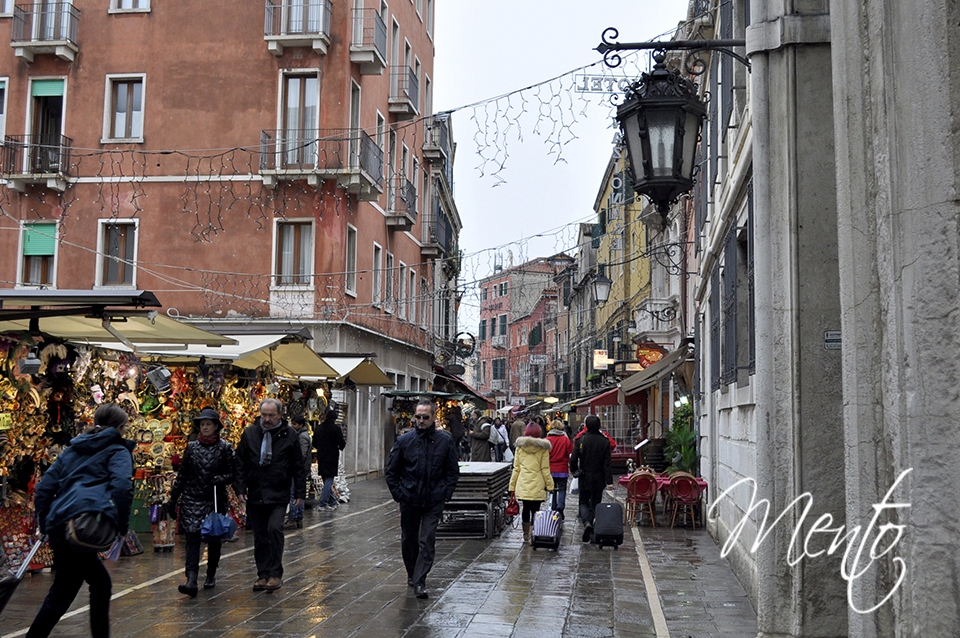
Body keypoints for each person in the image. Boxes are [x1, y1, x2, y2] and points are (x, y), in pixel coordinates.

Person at [27, 404, 134, 638]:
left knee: (83, 585)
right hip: (85, 524)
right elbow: (123, 487)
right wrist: (121, 526)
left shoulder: (72, 450)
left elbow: (44, 488)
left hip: (60, 523)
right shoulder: (117, 450)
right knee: (71, 590)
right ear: (120, 428)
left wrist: (46, 524)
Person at [385, 398, 459, 600]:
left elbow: (452, 471)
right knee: (409, 538)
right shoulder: (404, 441)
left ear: (433, 417)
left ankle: (420, 580)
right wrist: (398, 494)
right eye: (418, 416)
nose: (421, 420)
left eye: (425, 417)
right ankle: (412, 573)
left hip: (434, 498)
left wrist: (445, 493)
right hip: (409, 498)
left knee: (427, 539)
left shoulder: (445, 441)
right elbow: (391, 472)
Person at [235, 398, 306, 592]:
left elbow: (298, 466)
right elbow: (240, 462)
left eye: (271, 416)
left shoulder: (289, 435)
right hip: (256, 492)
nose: (266, 419)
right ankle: (263, 574)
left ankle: (276, 573)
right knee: (260, 536)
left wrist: (300, 491)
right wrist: (240, 489)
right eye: (264, 415)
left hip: (278, 491)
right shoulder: (250, 433)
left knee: (275, 529)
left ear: (280, 415)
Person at [168, 407, 239, 597]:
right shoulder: (192, 447)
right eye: (202, 424)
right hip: (192, 497)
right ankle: (191, 578)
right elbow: (182, 474)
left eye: (208, 424)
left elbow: (233, 473)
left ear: (216, 427)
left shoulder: (225, 448)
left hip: (213, 499)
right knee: (192, 538)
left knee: (213, 538)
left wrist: (221, 479)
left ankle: (211, 573)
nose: (205, 427)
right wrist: (173, 498)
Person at [569, 415, 613, 543]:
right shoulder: (605, 442)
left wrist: (575, 470)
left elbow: (573, 459)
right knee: (596, 503)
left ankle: (586, 522)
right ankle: (592, 526)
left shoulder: (581, 440)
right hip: (599, 477)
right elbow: (607, 464)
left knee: (583, 501)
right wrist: (609, 481)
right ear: (599, 425)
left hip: (584, 475)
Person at [509, 422, 554, 543]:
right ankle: (532, 535)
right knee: (536, 510)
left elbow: (516, 468)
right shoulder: (543, 449)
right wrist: (550, 485)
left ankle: (525, 534)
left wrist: (512, 486)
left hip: (523, 482)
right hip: (538, 483)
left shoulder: (520, 447)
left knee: (525, 509)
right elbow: (545, 469)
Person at [312, 401, 346, 511]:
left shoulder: (318, 428)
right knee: (329, 479)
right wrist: (338, 447)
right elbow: (342, 443)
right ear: (334, 419)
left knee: (325, 478)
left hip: (321, 455)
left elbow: (314, 443)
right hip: (332, 456)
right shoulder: (335, 428)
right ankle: (323, 503)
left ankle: (333, 501)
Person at [287, 414, 313, 527]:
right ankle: (298, 518)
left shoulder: (302, 437)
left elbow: (301, 455)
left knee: (294, 494)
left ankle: (293, 518)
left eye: (295, 424)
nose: (293, 426)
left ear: (300, 425)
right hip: (301, 470)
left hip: (298, 470)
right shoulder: (303, 435)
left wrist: (295, 465)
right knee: (298, 494)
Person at [546, 419, 573, 518]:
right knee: (562, 489)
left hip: (550, 469)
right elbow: (569, 452)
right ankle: (560, 507)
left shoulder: (547, 439)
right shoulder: (565, 439)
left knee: (552, 490)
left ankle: (553, 507)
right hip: (562, 469)